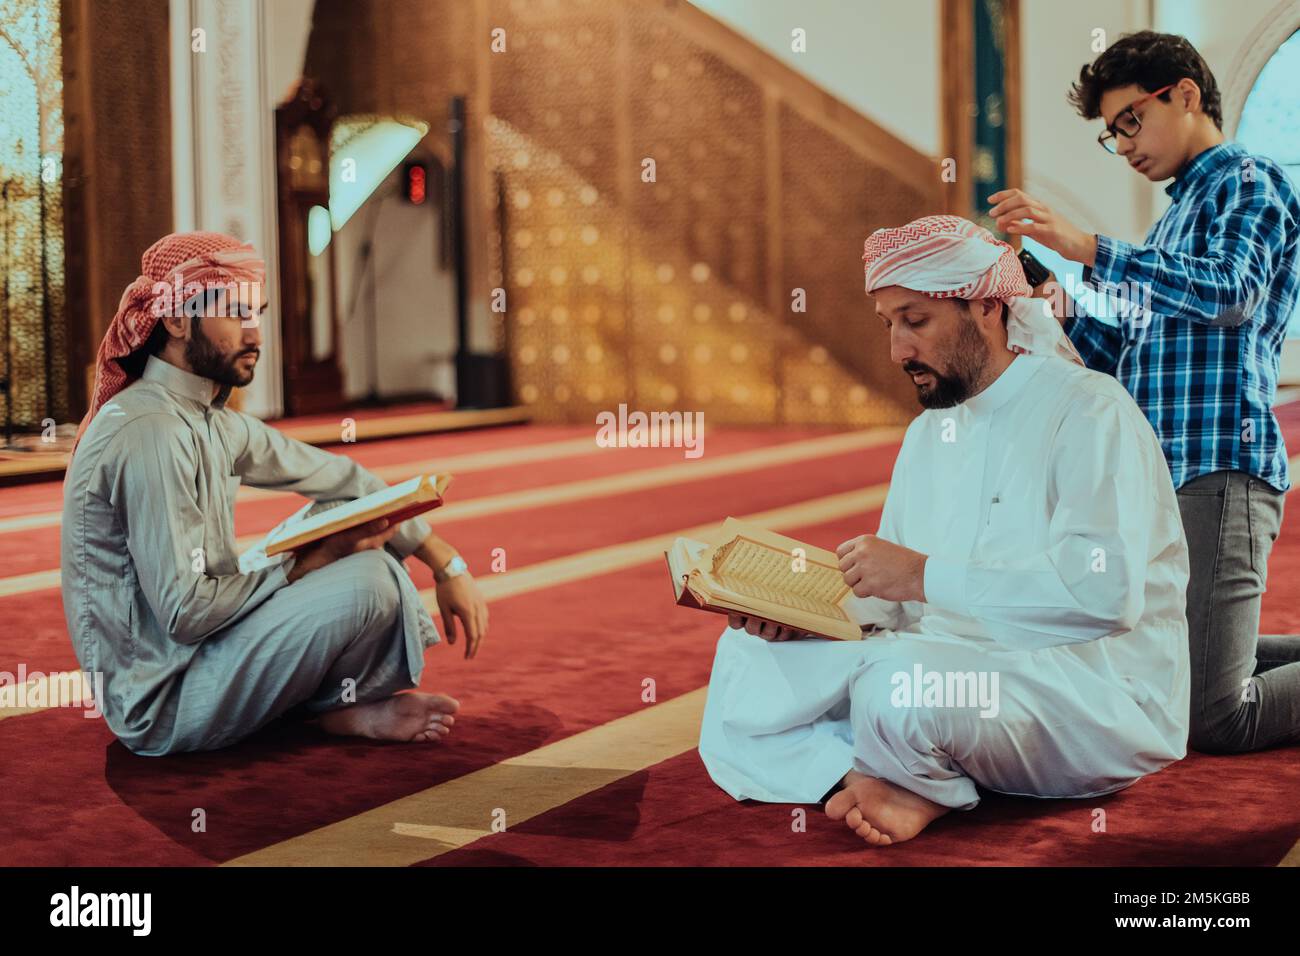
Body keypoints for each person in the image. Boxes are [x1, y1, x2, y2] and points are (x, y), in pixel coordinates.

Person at [698, 216, 1190, 846]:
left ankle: (913, 778)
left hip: (1084, 693)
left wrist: (924, 576)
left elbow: (1105, 600)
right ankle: (864, 774)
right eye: (889, 325)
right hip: (946, 664)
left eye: (915, 320)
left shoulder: (1089, 412)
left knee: (899, 687)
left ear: (986, 305)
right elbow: (895, 598)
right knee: (749, 658)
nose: (898, 351)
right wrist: (809, 614)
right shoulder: (930, 433)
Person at [987, 31, 1300, 753]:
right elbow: (1119, 358)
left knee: (1212, 716)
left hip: (1221, 466)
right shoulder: (1171, 217)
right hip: (1163, 477)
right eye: (1111, 134)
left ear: (1184, 95)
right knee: (1178, 674)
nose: (1123, 144)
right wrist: (1048, 297)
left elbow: (1232, 294)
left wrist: (1090, 248)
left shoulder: (1248, 179)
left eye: (1130, 120)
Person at [61, 231, 488, 756]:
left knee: (347, 512)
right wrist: (306, 562)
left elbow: (344, 478)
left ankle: (334, 708)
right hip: (162, 696)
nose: (255, 333)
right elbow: (186, 614)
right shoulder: (152, 431)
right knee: (369, 578)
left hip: (206, 650)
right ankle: (326, 707)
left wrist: (445, 562)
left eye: (257, 313)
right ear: (174, 319)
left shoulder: (206, 417)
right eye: (236, 313)